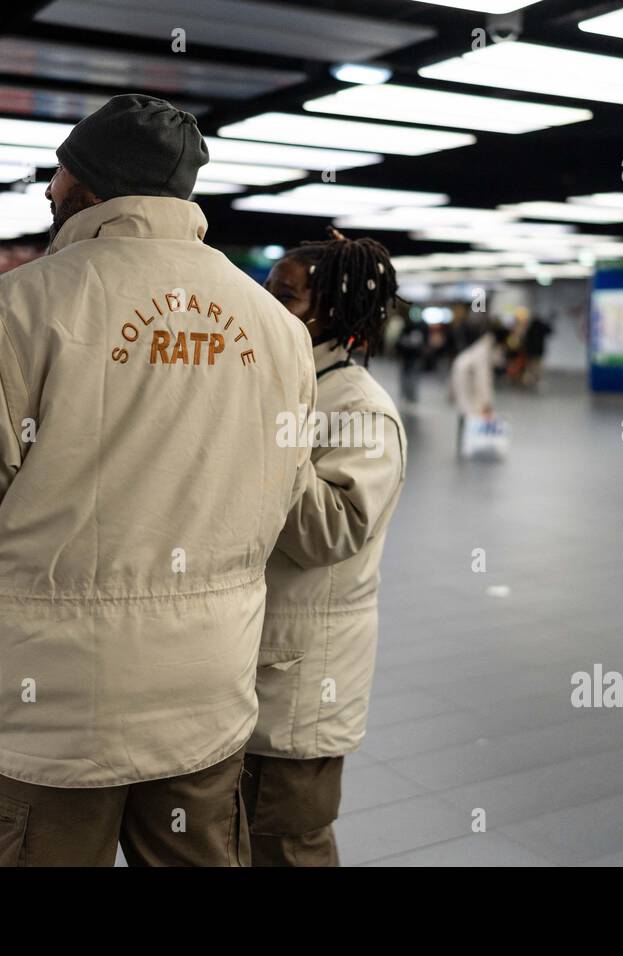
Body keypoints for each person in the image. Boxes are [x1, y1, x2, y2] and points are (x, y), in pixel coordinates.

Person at [0, 94, 317, 867]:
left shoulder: (13, 310)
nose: (49, 191)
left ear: (84, 181)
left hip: (52, 713)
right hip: (207, 696)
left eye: (56, 173)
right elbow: (283, 494)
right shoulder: (278, 330)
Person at [246, 232, 407, 865]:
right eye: (267, 288)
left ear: (330, 312)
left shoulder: (360, 409)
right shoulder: (284, 383)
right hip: (254, 657)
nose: (266, 303)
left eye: (284, 295)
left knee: (288, 841)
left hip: (303, 679)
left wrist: (266, 443)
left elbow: (331, 530)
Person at [451, 320, 510, 457]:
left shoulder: (485, 345)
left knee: (466, 410)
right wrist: (487, 403)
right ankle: (465, 445)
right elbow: (483, 380)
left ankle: (463, 444)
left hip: (464, 377)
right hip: (466, 380)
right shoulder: (483, 351)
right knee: (469, 410)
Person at [395, 314, 426, 403]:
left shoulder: (421, 328)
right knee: (406, 377)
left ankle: (411, 396)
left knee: (413, 377)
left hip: (415, 358)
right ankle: (405, 395)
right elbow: (399, 343)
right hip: (406, 357)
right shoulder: (406, 328)